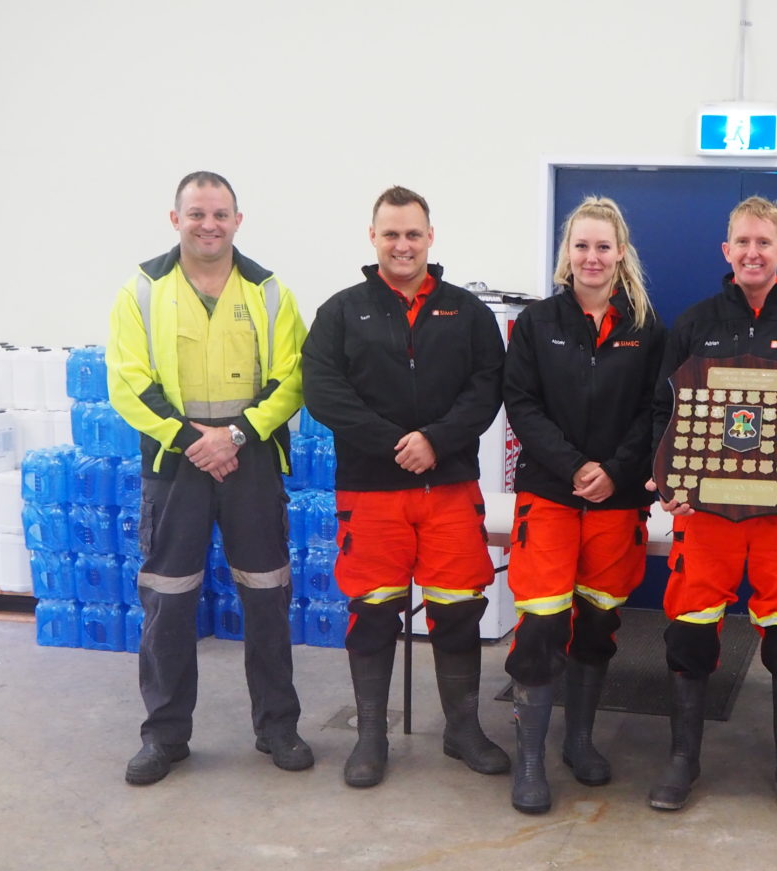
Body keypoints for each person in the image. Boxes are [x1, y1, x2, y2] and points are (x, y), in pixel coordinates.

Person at [647, 196, 777, 818]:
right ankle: (683, 760)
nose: (753, 252)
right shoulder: (694, 323)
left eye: (765, 243)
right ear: (726, 250)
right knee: (689, 632)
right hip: (705, 516)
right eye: (742, 242)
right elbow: (666, 410)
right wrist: (667, 478)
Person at [108, 171, 312, 785]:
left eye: (220, 214)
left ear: (238, 220)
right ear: (175, 219)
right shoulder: (141, 291)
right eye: (196, 213)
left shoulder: (270, 292)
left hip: (248, 460)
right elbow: (128, 381)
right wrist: (193, 441)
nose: (208, 224)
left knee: (266, 594)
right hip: (176, 464)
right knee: (169, 600)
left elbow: (293, 377)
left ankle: (277, 726)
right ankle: (165, 735)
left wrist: (237, 437)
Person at [301, 185, 508, 789]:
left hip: (448, 487)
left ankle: (462, 730)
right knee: (372, 614)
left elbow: (487, 387)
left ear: (430, 237)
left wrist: (436, 441)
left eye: (413, 233)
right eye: (391, 233)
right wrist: (396, 442)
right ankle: (370, 735)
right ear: (373, 238)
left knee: (459, 611)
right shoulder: (341, 311)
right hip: (371, 491)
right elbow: (324, 392)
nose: (402, 244)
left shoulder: (467, 312)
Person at [500, 197, 666, 814]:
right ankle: (530, 761)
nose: (591, 257)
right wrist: (574, 466)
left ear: (620, 254)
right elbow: (521, 403)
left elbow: (658, 413)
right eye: (581, 246)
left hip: (617, 503)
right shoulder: (539, 323)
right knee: (542, 622)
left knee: (598, 622)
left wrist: (615, 470)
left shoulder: (647, 329)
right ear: (566, 255)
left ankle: (579, 741)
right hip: (549, 495)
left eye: (603, 247)